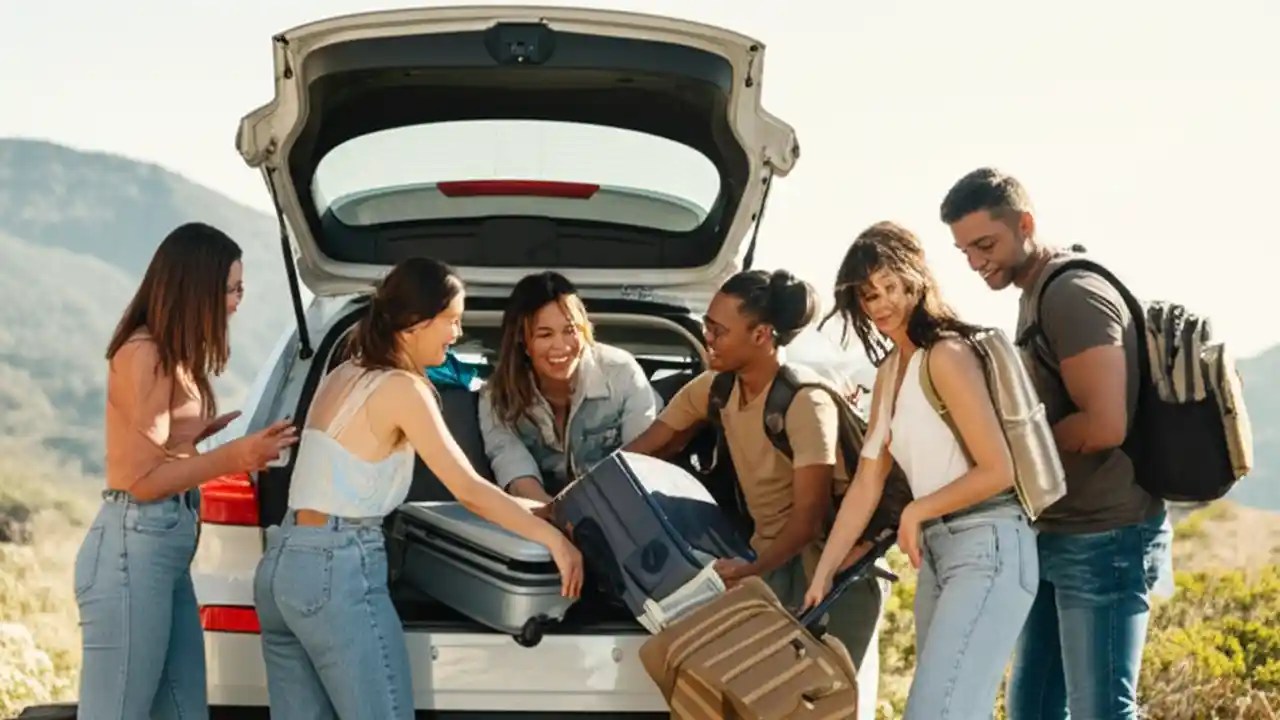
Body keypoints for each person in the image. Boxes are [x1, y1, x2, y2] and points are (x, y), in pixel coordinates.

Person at [252, 257, 584, 720]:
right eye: (451, 320)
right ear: (413, 325)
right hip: (338, 570)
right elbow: (466, 488)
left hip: (284, 566)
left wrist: (536, 510)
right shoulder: (401, 388)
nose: (457, 332)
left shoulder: (345, 372)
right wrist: (553, 540)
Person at [940, 167, 1173, 719]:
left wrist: (1012, 440)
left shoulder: (1072, 293)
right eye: (964, 251)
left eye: (985, 244)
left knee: (1101, 711)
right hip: (1060, 532)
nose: (975, 262)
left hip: (1106, 537)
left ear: (1025, 224)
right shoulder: (1035, 291)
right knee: (1034, 709)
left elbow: (1103, 425)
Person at [801, 221, 1038, 718]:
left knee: (938, 711)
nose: (881, 303)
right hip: (939, 552)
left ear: (917, 278)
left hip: (989, 545)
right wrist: (824, 572)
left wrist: (915, 511)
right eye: (868, 295)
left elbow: (998, 469)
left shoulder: (947, 355)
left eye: (891, 286)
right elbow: (867, 483)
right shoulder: (890, 371)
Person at [624, 268, 882, 719]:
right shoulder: (715, 389)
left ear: (762, 335)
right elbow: (643, 452)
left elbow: (809, 517)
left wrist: (750, 569)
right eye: (707, 326)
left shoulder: (806, 402)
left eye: (718, 331)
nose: (708, 338)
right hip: (763, 574)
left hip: (827, 580)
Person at [74, 222, 299, 720]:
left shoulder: (174, 355)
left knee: (183, 711)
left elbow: (156, 451)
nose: (240, 299)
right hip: (133, 549)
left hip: (165, 548)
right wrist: (234, 456)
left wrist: (191, 440)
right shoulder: (145, 354)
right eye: (233, 288)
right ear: (198, 288)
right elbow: (140, 481)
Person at [478, 270, 658, 501]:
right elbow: (513, 469)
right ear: (522, 340)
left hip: (621, 505)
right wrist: (554, 517)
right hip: (541, 514)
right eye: (545, 335)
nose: (560, 346)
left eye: (570, 331)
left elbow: (643, 463)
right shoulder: (497, 396)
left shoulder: (621, 372)